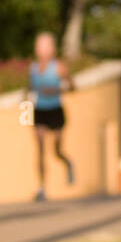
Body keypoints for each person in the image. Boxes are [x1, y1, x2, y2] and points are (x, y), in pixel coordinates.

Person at [27, 32, 74, 202]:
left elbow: (72, 86)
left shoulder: (59, 67)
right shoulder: (33, 68)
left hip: (55, 110)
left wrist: (54, 91)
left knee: (56, 150)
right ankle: (42, 188)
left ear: (52, 48)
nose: (42, 49)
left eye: (45, 45)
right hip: (39, 110)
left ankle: (68, 162)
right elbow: (29, 90)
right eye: (40, 45)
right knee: (39, 149)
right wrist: (25, 113)